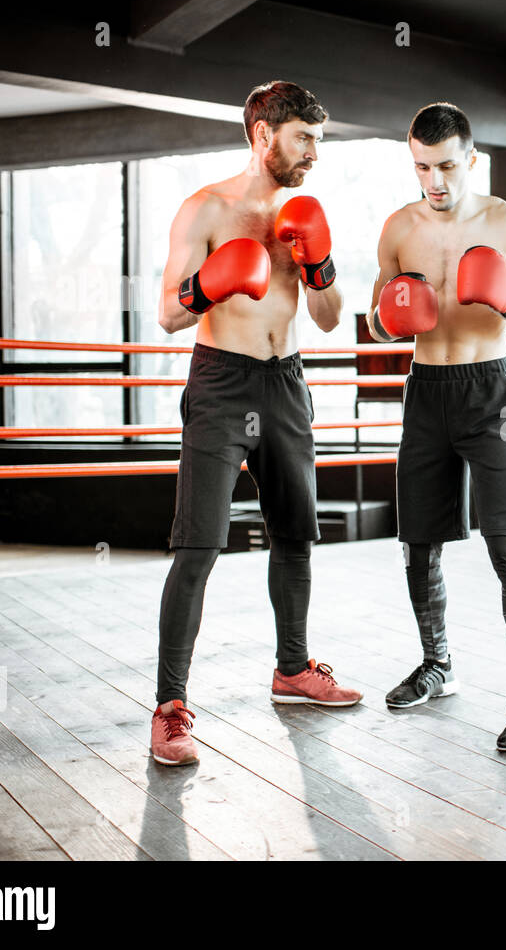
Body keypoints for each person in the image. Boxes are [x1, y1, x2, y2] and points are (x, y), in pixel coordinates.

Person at [149, 81, 361, 767]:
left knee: (295, 532)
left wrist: (319, 263)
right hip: (220, 381)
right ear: (264, 135)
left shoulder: (304, 213)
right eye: (303, 139)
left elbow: (328, 319)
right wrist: (212, 281)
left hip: (285, 380)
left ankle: (293, 669)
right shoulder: (205, 208)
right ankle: (171, 707)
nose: (313, 155)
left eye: (318, 142)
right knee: (198, 546)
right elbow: (169, 315)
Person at [368, 101, 506, 752]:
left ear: (470, 158)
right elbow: (375, 314)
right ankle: (437, 663)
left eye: (446, 165)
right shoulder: (398, 228)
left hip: (490, 392)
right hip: (426, 392)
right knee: (418, 541)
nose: (435, 180)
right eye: (422, 166)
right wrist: (390, 314)